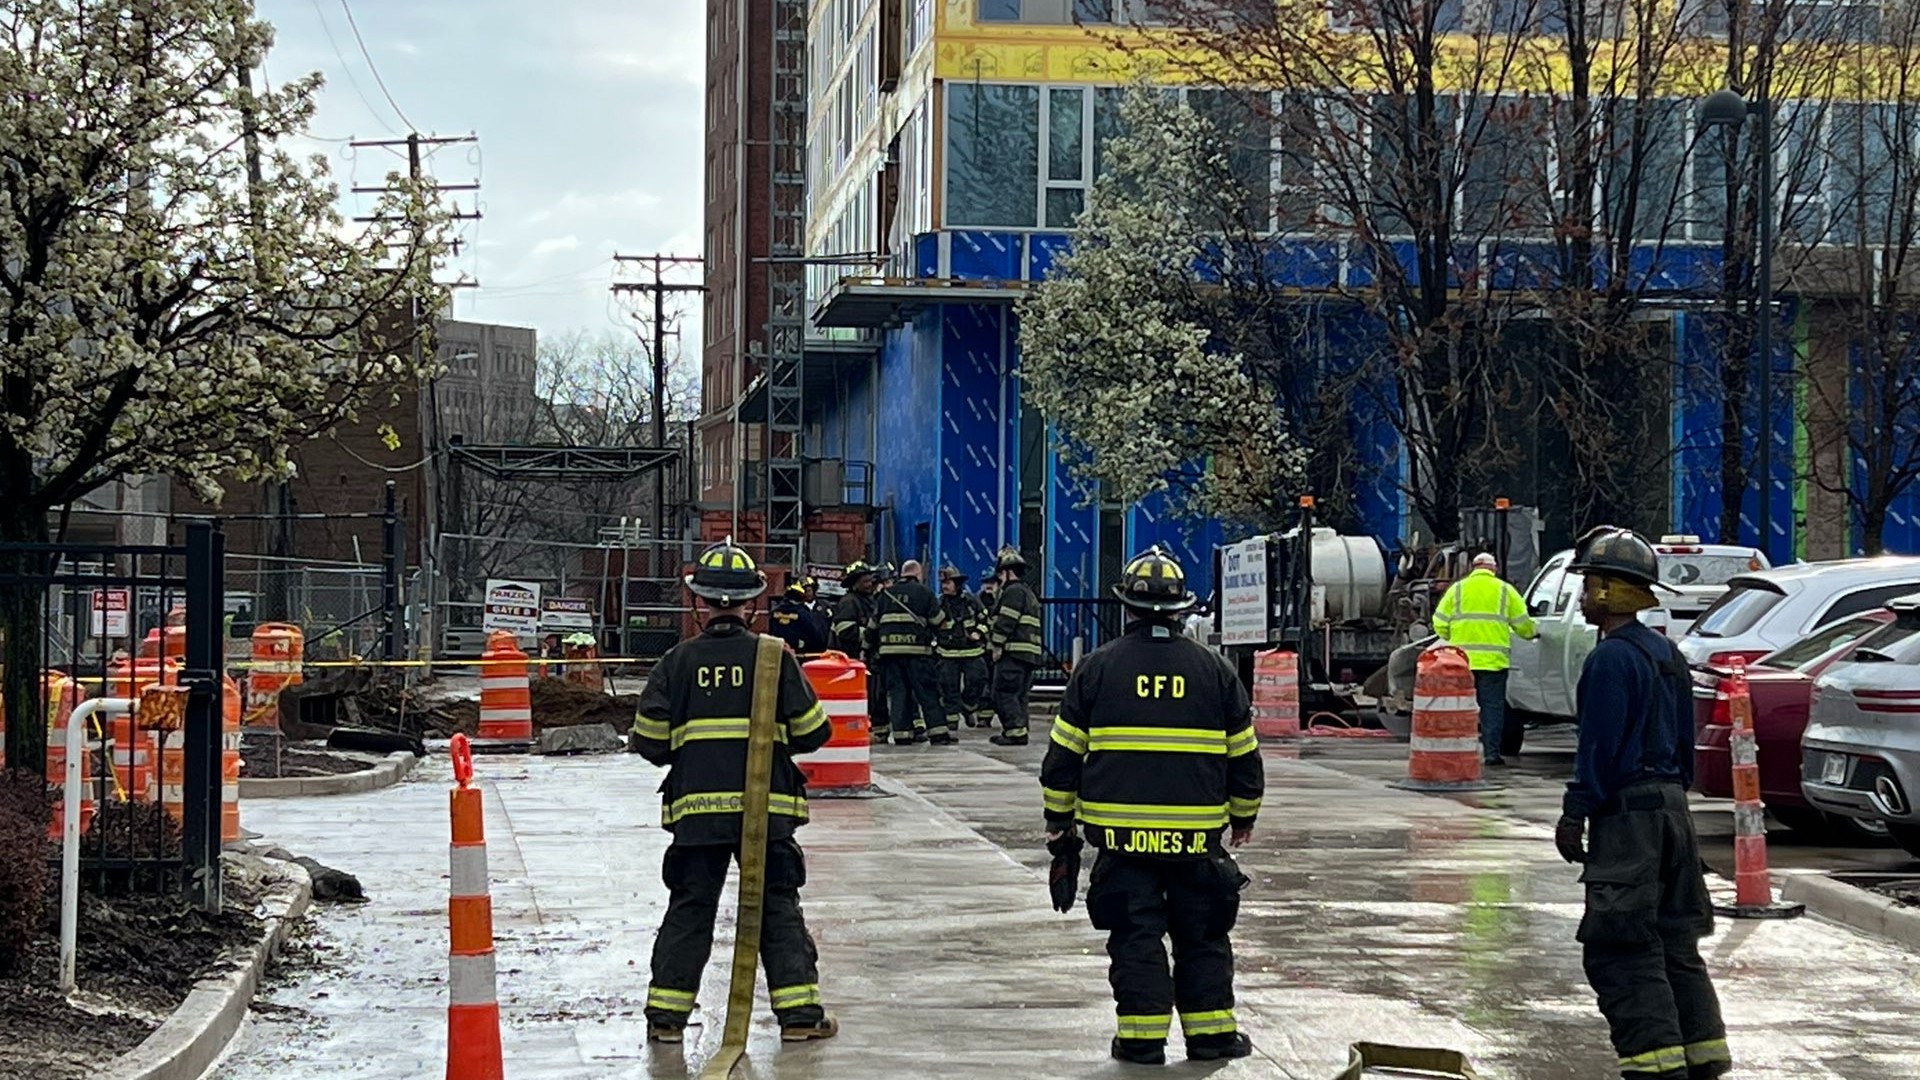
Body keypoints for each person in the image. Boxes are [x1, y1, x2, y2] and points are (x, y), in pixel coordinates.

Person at [1039, 545, 1262, 1066]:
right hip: (1197, 840)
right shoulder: (1215, 671)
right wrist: (1244, 816)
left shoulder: (1096, 669)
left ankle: (1141, 1041)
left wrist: (1059, 824)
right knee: (1203, 935)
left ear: (1127, 607)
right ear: (1182, 610)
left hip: (1120, 839)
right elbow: (1245, 758)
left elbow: (1062, 760)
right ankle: (1211, 1038)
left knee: (1135, 936)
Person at [632, 538, 840, 1045]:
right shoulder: (775, 658)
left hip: (697, 816)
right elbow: (815, 733)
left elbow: (652, 744)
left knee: (690, 909)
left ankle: (666, 1020)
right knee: (776, 908)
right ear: (751, 603)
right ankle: (798, 1019)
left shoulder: (676, 663)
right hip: (765, 812)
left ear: (699, 602)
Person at [1555, 527, 1727, 1080]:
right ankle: (1704, 1055)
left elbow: (1598, 746)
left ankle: (1655, 1067)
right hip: (1674, 816)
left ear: (1608, 592)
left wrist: (1576, 810)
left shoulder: (1610, 661)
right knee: (1675, 942)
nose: (1582, 597)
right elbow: (1683, 746)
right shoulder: (1668, 656)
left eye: (1588, 586)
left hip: (1629, 822)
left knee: (1620, 946)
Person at [1430, 551, 1537, 766]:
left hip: (1461, 664)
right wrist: (1533, 633)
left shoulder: (1457, 590)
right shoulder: (1505, 591)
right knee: (1492, 710)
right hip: (1493, 664)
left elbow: (1439, 622)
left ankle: (1459, 752)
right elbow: (1523, 624)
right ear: (1493, 569)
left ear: (1473, 567)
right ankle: (1491, 754)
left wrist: (1455, 638)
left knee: (1460, 709)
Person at [873, 560, 953, 745]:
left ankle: (902, 735)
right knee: (927, 692)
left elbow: (872, 627)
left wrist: (868, 650)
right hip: (918, 653)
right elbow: (938, 621)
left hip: (889, 655)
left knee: (898, 694)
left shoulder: (886, 595)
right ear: (918, 575)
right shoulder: (924, 593)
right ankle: (938, 734)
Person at [987, 547, 1044, 746]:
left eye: (1001, 573)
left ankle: (1014, 732)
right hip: (1029, 655)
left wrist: (996, 645)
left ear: (1008, 572)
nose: (999, 578)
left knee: (1003, 692)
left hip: (1013, 652)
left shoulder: (1012, 592)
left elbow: (1006, 620)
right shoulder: (1028, 593)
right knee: (1019, 695)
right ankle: (1020, 729)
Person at [934, 566, 990, 730]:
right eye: (943, 583)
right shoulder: (939, 603)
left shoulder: (971, 601)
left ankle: (968, 707)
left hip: (972, 651)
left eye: (948, 582)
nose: (945, 586)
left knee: (977, 680)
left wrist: (979, 633)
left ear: (957, 584)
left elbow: (985, 621)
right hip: (947, 652)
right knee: (948, 686)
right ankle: (951, 719)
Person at [770, 581, 829, 657]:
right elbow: (814, 634)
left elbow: (771, 632)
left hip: (778, 651)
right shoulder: (803, 613)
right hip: (799, 654)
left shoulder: (775, 612)